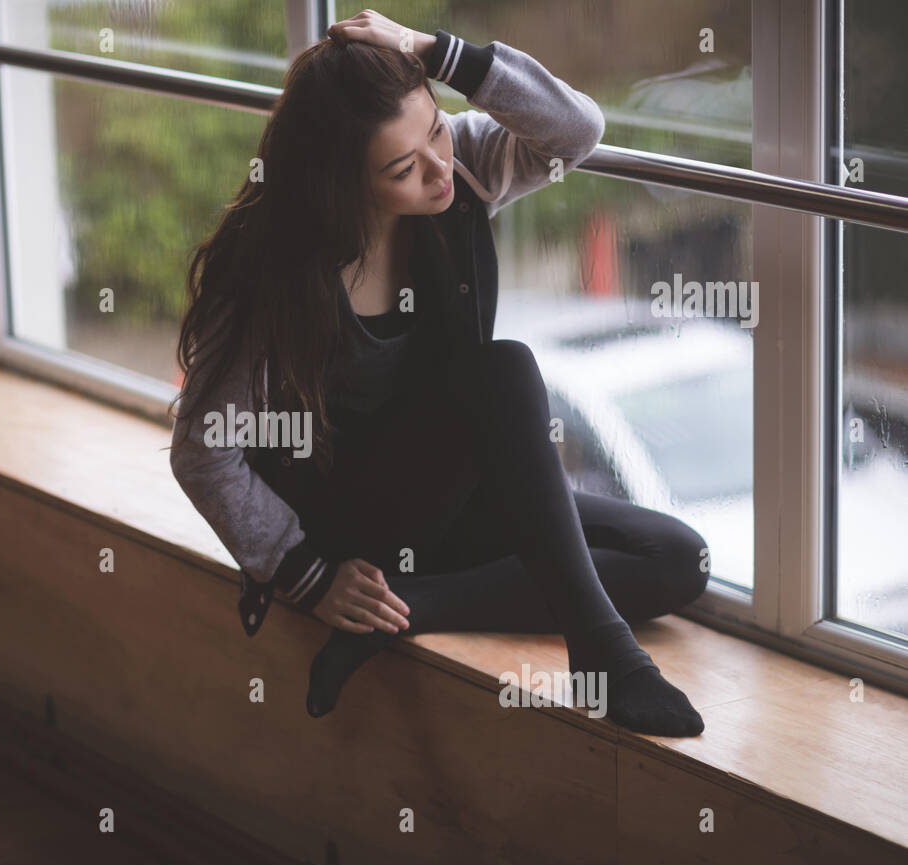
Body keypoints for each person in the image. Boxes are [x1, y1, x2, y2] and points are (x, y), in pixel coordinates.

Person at [168, 10, 708, 737]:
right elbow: (204, 449)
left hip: (446, 498)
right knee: (505, 370)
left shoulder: (462, 171)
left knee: (678, 559)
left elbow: (575, 131)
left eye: (437, 130)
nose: (436, 168)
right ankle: (606, 654)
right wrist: (307, 577)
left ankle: (412, 607)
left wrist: (438, 54)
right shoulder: (274, 274)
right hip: (352, 522)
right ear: (341, 182)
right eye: (402, 168)